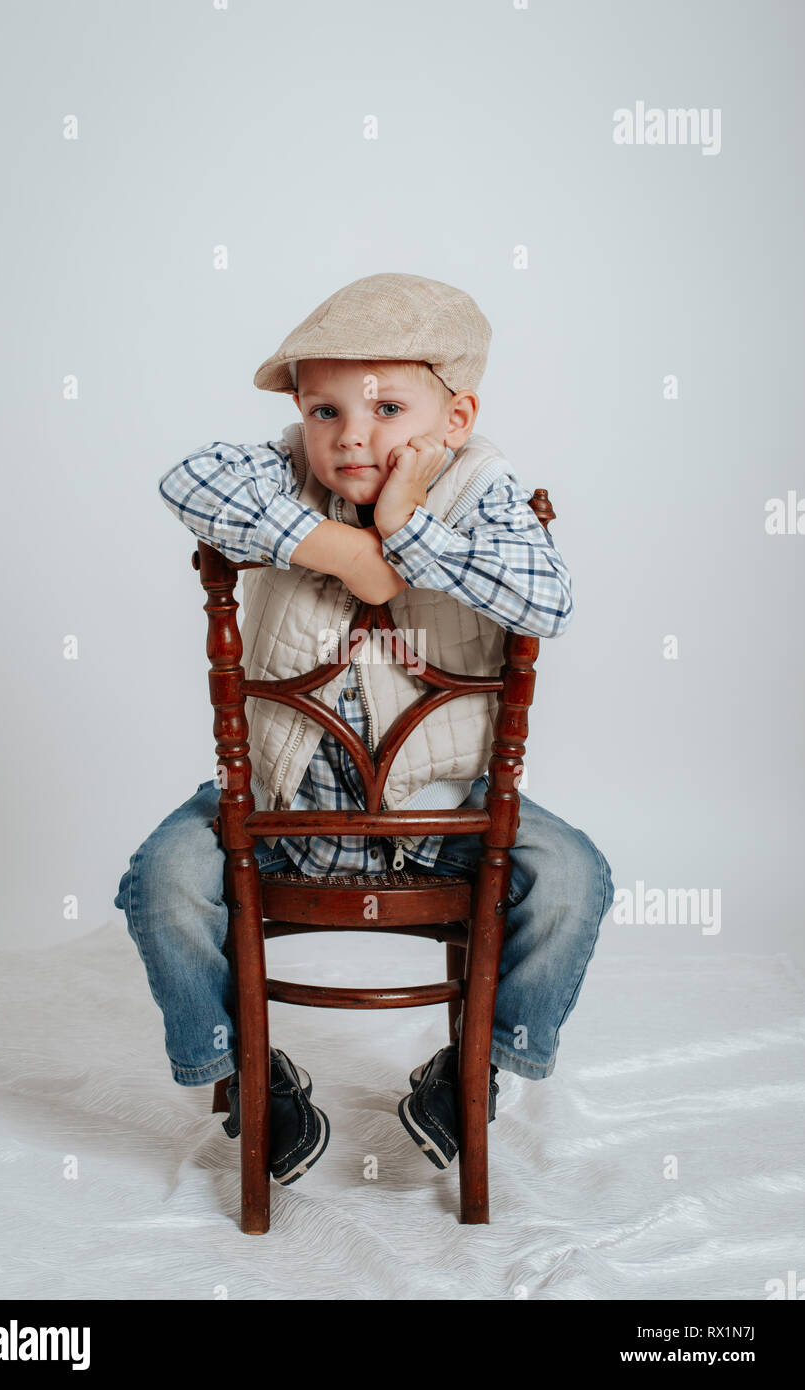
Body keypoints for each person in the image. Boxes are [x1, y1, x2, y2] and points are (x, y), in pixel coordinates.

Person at [114, 272, 615, 1186]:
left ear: (454, 418)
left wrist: (405, 532)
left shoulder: (483, 490)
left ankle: (473, 1074)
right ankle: (250, 1079)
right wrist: (343, 549)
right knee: (163, 883)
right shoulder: (279, 473)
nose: (352, 434)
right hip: (278, 810)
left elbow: (549, 597)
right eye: (324, 409)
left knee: (576, 880)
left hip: (443, 820)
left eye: (389, 406)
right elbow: (182, 477)